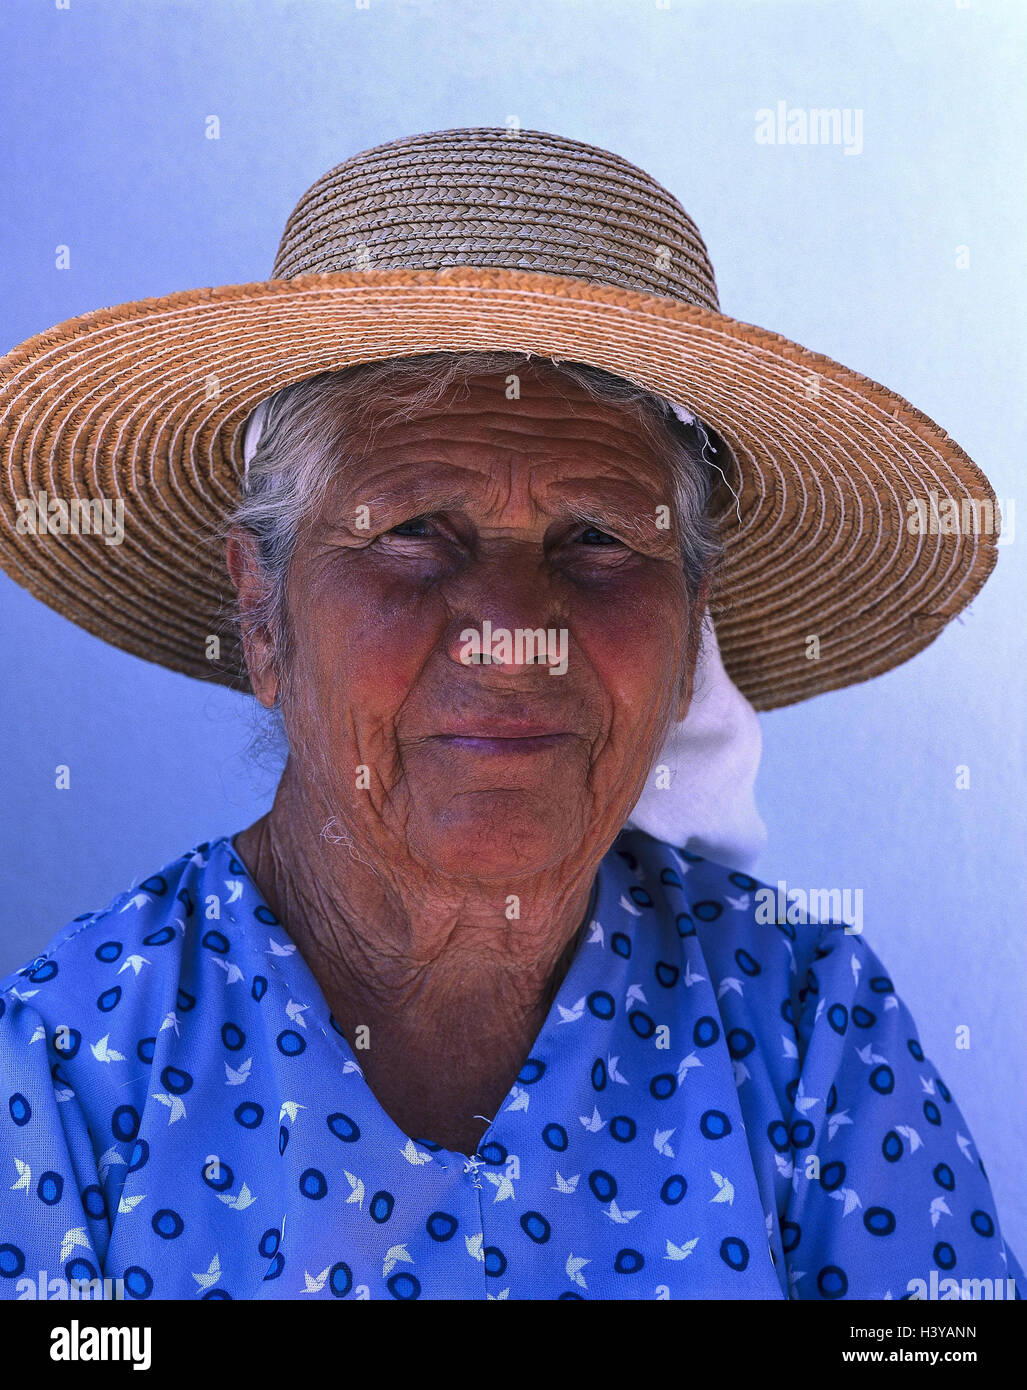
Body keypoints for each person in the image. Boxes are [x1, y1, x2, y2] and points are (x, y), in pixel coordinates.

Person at [0, 128, 1018, 1301]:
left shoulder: (804, 1028)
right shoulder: (71, 1062)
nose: (509, 631)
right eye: (413, 532)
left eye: (596, 539)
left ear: (690, 630)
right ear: (264, 612)